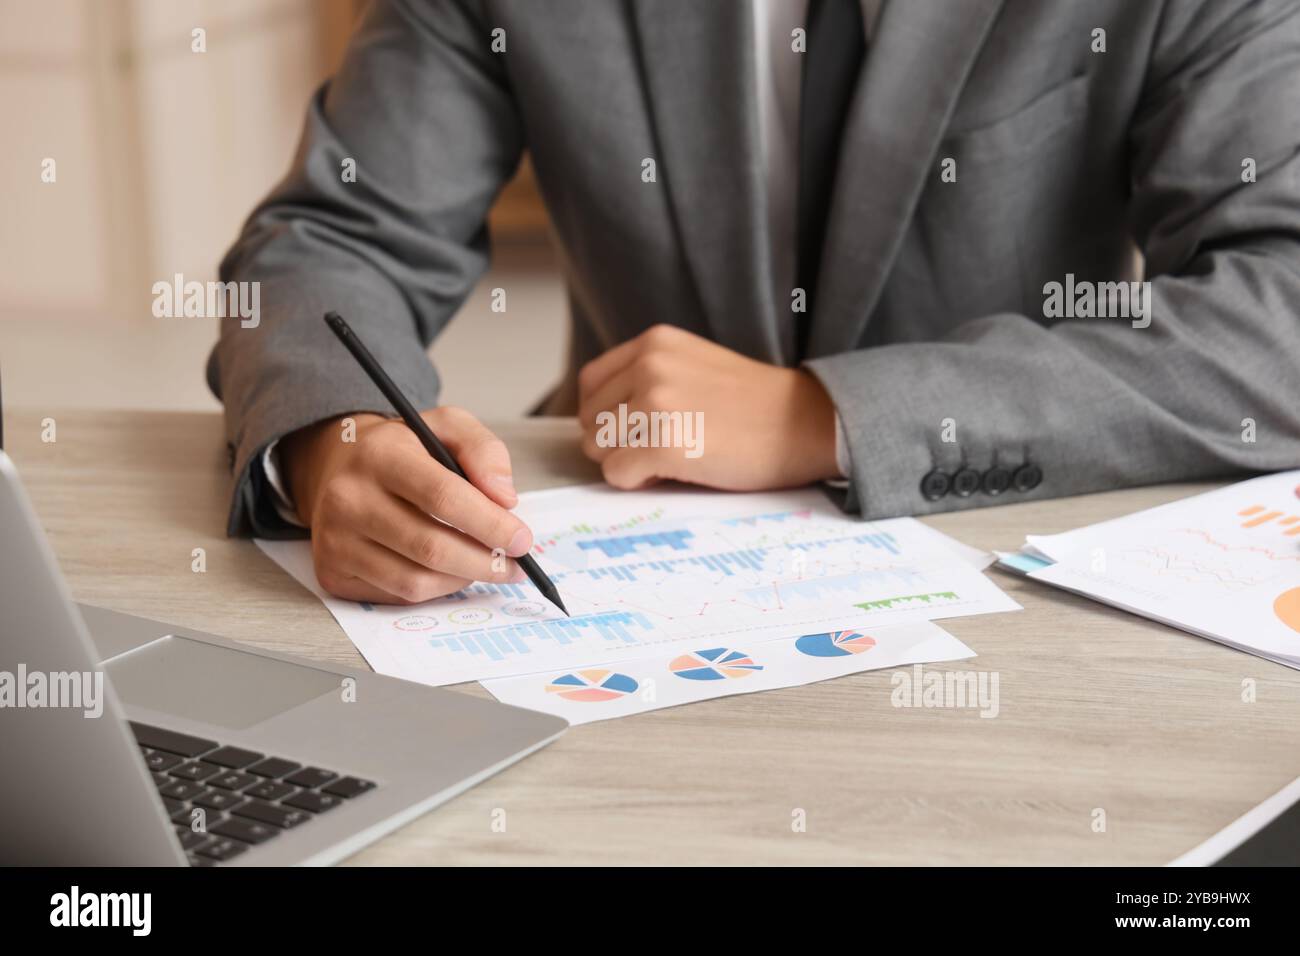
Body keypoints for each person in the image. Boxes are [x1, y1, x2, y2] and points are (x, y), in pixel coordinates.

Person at [208, 0, 1300, 605]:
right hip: (614, 558)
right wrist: (329, 437)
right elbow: (333, 235)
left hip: (1019, 564)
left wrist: (820, 414)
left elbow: (1281, 306)